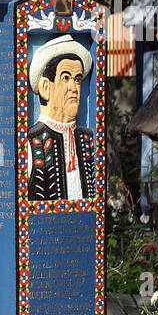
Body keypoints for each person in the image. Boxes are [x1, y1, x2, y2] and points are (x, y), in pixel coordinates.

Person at [25, 34, 96, 201]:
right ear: (45, 87)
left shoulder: (89, 139)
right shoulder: (30, 142)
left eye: (78, 79)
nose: (74, 88)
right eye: (65, 78)